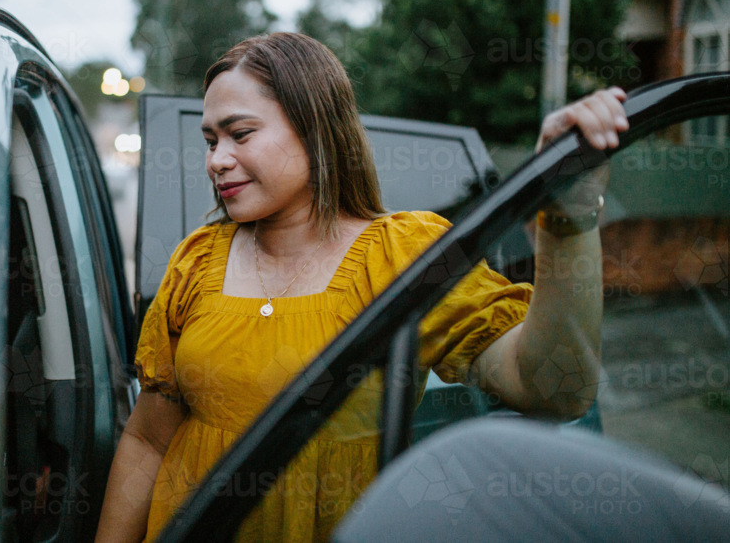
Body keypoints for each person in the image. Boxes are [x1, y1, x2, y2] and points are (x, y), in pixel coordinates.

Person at [94, 32, 628, 543]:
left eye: (240, 134)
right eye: (211, 140)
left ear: (314, 128)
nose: (216, 160)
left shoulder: (405, 257)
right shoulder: (196, 262)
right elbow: (147, 441)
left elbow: (551, 390)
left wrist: (569, 219)